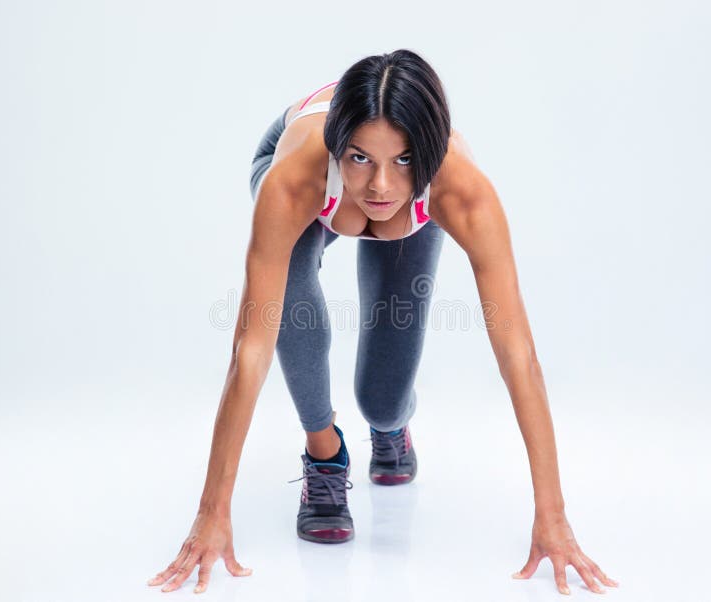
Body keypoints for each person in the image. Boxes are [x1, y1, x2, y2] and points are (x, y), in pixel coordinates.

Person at [147, 49, 619, 596]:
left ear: (429, 155)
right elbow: (249, 353)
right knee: (293, 311)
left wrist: (553, 517)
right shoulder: (294, 180)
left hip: (411, 207)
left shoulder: (459, 190)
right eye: (359, 158)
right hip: (297, 167)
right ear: (337, 148)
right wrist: (211, 513)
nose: (379, 187)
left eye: (403, 160)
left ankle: (392, 427)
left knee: (383, 399)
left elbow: (519, 356)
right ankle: (324, 453)